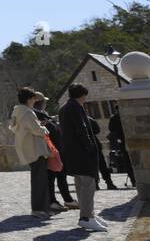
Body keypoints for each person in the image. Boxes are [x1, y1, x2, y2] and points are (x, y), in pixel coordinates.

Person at [58, 84, 107, 232]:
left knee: (80, 183)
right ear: (82, 95)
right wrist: (90, 147)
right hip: (82, 152)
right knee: (87, 185)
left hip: (71, 152)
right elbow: (82, 129)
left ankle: (88, 214)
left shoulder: (64, 108)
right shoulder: (76, 107)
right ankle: (86, 217)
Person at [9, 86, 52, 217]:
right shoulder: (27, 112)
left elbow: (14, 127)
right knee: (39, 180)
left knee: (38, 178)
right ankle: (38, 208)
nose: (35, 100)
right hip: (35, 148)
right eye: (34, 98)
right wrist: (44, 128)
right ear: (29, 99)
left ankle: (42, 207)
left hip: (27, 147)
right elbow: (37, 130)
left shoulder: (17, 112)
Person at [32, 92, 73, 210]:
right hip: (50, 150)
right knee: (52, 177)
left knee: (60, 175)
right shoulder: (39, 116)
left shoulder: (44, 115)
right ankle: (53, 201)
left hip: (55, 149)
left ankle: (66, 199)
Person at [87, 115, 120, 190]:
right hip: (95, 144)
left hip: (87, 146)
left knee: (93, 165)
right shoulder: (90, 119)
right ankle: (109, 182)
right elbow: (97, 130)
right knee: (102, 165)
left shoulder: (81, 119)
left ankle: (96, 183)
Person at [107, 109, 132, 187]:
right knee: (128, 161)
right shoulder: (126, 115)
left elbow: (111, 128)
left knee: (127, 161)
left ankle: (133, 179)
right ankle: (133, 179)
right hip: (125, 139)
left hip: (121, 141)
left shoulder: (114, 117)